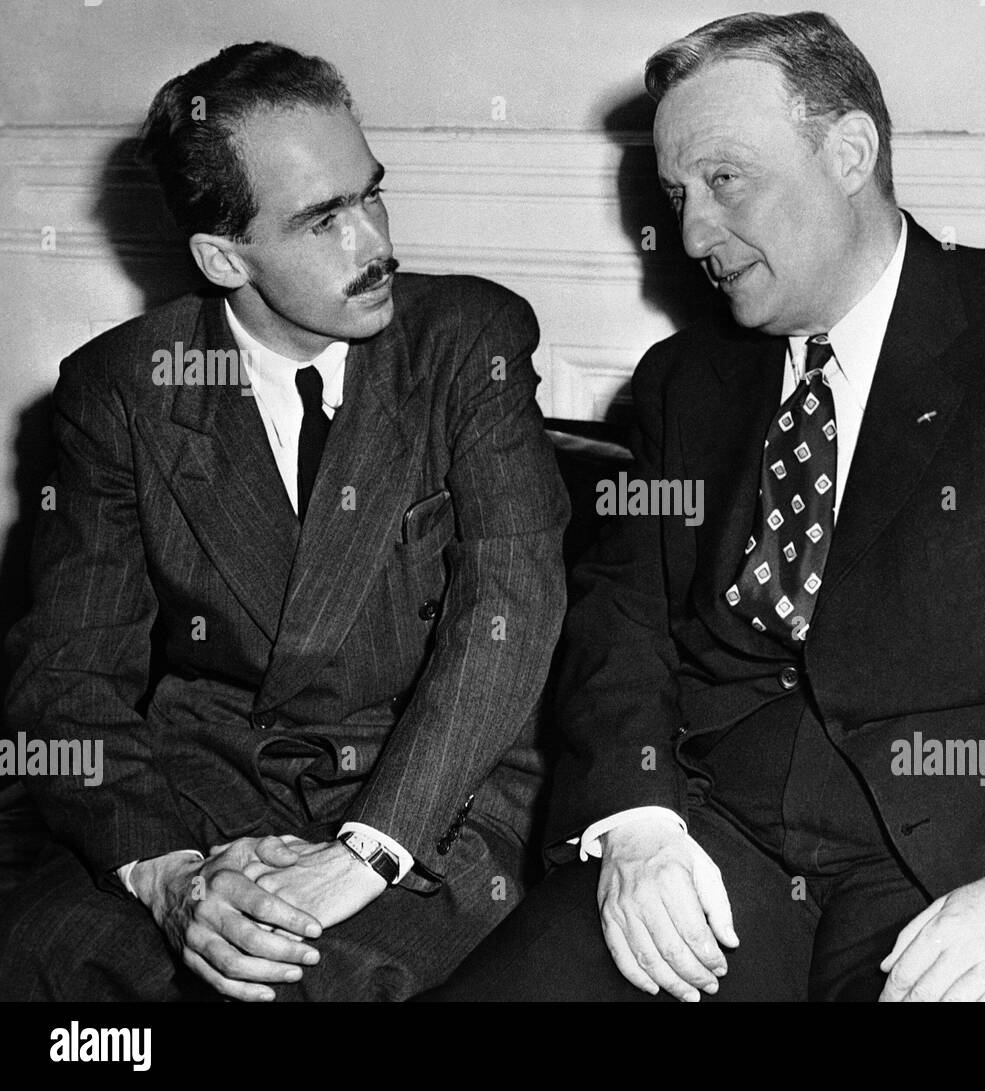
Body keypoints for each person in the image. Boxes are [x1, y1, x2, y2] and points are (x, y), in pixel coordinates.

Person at [427, 11, 985, 1002]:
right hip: (722, 846)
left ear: (849, 151)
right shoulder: (683, 381)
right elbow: (620, 617)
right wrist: (636, 817)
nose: (691, 232)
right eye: (677, 194)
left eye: (725, 179)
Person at [0, 42, 569, 1001]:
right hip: (206, 796)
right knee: (46, 958)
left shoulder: (471, 342)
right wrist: (172, 873)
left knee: (295, 990)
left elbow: (505, 617)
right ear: (226, 257)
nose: (376, 243)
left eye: (371, 195)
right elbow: (66, 678)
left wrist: (365, 852)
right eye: (324, 220)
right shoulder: (122, 393)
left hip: (434, 789)